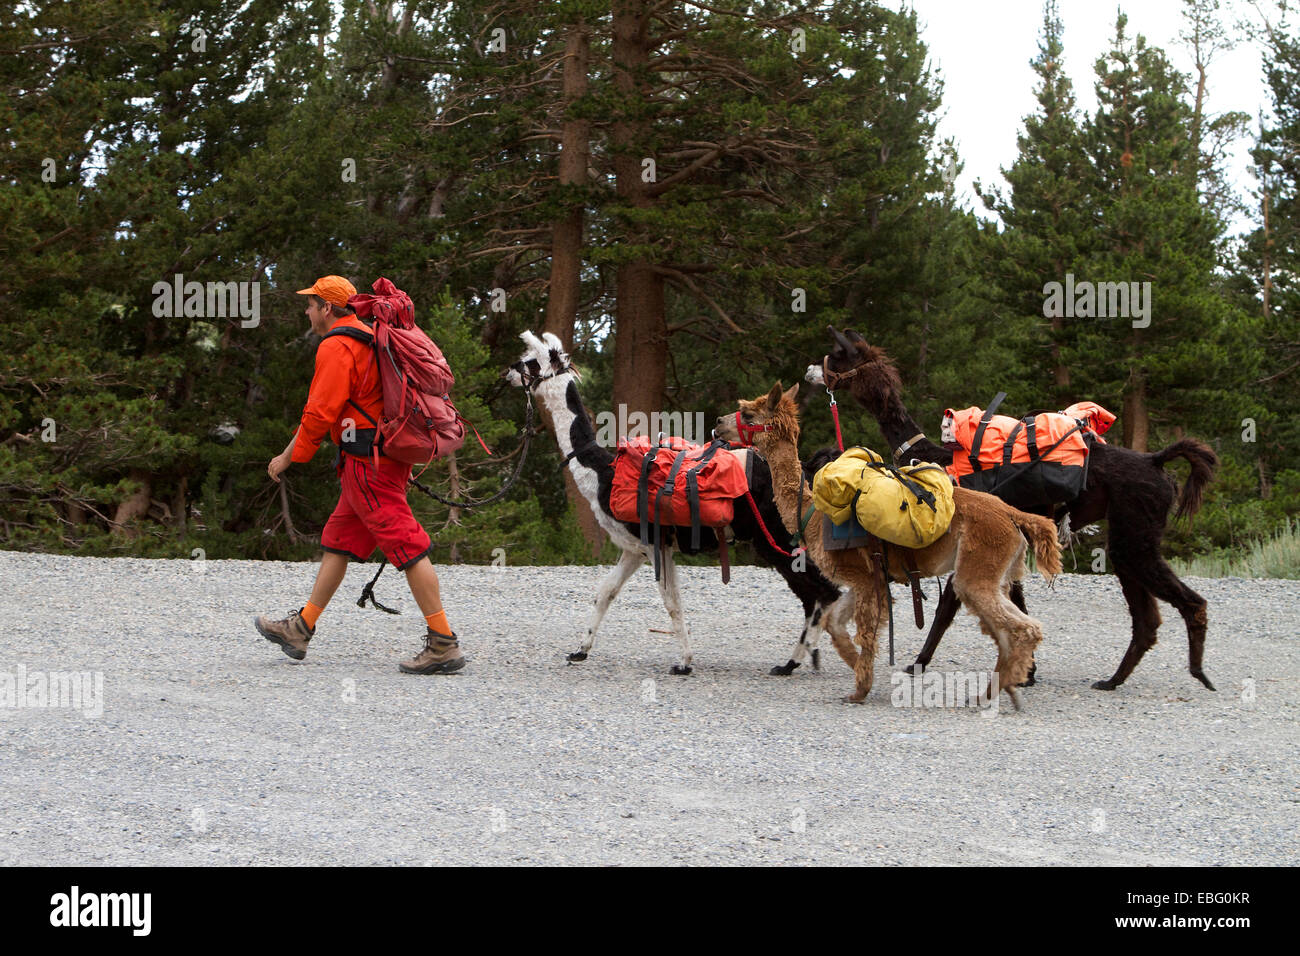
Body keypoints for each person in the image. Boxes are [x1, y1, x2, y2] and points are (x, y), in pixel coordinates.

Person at [253, 275, 466, 674]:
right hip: (377, 458)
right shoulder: (370, 337)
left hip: (368, 464)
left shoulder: (337, 346)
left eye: (311, 303)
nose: (307, 310)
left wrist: (287, 457)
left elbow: (319, 414)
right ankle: (300, 628)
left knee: (405, 544)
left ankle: (443, 644)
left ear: (328, 308)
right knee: (339, 539)